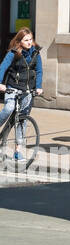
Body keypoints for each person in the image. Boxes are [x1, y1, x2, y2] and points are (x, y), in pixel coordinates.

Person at [0, 28, 43, 164]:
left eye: (31, 39)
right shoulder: (14, 53)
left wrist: (39, 87)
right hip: (13, 88)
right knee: (9, 108)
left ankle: (18, 152)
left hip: (27, 91)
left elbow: (39, 71)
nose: (30, 42)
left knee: (22, 120)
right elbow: (2, 67)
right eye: (26, 40)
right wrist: (0, 83)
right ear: (20, 41)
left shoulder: (36, 53)